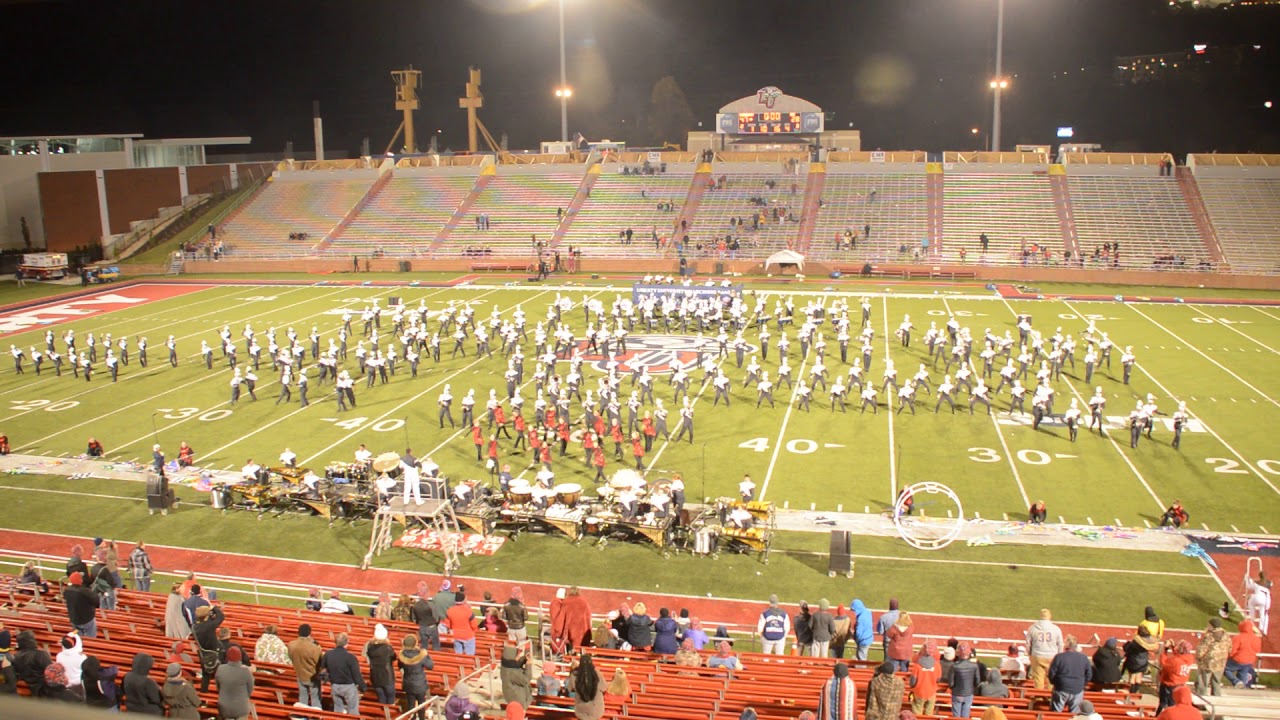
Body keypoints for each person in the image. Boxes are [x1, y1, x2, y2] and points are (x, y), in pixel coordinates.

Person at [1048, 636, 1092, 713]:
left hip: (1061, 687)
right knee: (1074, 713)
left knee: (1056, 712)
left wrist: (1055, 682)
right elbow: (1089, 674)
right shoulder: (1083, 658)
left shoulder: (1059, 657)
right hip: (1077, 688)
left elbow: (1051, 673)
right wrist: (1082, 684)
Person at [325, 632, 367, 715]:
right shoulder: (350, 657)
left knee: (338, 710)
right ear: (347, 643)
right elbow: (356, 675)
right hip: (348, 687)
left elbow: (323, 669)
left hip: (335, 685)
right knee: (352, 711)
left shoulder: (328, 654)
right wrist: (363, 687)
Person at [288, 624, 324, 708]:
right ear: (309, 633)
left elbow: (291, 657)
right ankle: (316, 716)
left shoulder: (291, 645)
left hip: (300, 674)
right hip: (312, 676)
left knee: (303, 698)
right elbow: (320, 662)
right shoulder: (314, 647)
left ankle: (302, 714)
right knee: (315, 699)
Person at [1026, 608, 1063, 689]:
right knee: (1051, 678)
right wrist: (1059, 656)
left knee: (1038, 679)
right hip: (1052, 656)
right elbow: (1060, 645)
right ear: (1049, 616)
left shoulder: (1032, 628)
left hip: (1037, 655)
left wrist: (1030, 655)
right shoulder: (1056, 629)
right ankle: (1050, 697)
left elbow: (1028, 644)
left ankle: (1039, 697)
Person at [398, 634, 434, 720]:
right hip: (420, 683)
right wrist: (426, 655)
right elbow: (430, 666)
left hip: (408, 683)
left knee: (411, 704)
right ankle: (422, 718)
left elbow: (400, 666)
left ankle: (412, 718)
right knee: (421, 704)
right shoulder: (421, 655)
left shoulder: (402, 655)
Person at [215, 645, 254, 720]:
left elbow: (218, 687)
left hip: (224, 707)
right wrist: (243, 698)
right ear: (240, 657)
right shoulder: (245, 671)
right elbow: (250, 689)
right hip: (241, 707)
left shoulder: (220, 669)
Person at [366, 623, 397, 705]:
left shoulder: (370, 647)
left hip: (375, 677)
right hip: (387, 677)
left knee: (381, 698)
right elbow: (394, 657)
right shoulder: (387, 648)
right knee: (390, 699)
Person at [12, 629, 50, 697]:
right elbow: (50, 673)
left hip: (22, 691)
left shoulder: (16, 656)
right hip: (42, 691)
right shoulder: (40, 655)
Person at [946, 643, 979, 718]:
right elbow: (977, 681)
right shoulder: (974, 666)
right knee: (965, 715)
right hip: (968, 693)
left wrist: (955, 689)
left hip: (957, 693)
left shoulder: (954, 666)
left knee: (956, 716)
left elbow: (951, 683)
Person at [1225, 618, 1260, 688]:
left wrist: (1228, 657)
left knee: (1224, 668)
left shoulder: (1238, 637)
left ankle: (1236, 681)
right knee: (1243, 674)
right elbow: (1257, 650)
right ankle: (1241, 689)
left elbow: (1232, 650)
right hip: (1249, 661)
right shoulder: (1256, 638)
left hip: (1238, 659)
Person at [62, 572, 99, 638]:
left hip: (74, 619)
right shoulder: (86, 591)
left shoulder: (67, 590)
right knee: (91, 637)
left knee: (78, 637)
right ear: (80, 580)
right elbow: (96, 602)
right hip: (87, 619)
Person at [1123, 626, 1159, 693]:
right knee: (1139, 677)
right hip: (1143, 662)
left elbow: (1127, 649)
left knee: (1132, 677)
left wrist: (1128, 643)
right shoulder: (1148, 643)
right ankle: (1135, 691)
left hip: (1133, 662)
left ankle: (1132, 692)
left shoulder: (1136, 643)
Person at [908, 644, 940, 716]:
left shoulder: (917, 666)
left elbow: (913, 681)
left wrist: (913, 687)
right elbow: (938, 679)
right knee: (929, 714)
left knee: (917, 713)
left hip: (919, 692)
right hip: (931, 692)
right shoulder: (937, 665)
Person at [572, 654, 605, 720]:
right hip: (596, 710)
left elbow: (570, 688)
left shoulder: (574, 675)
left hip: (581, 710)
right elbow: (604, 687)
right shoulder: (597, 674)